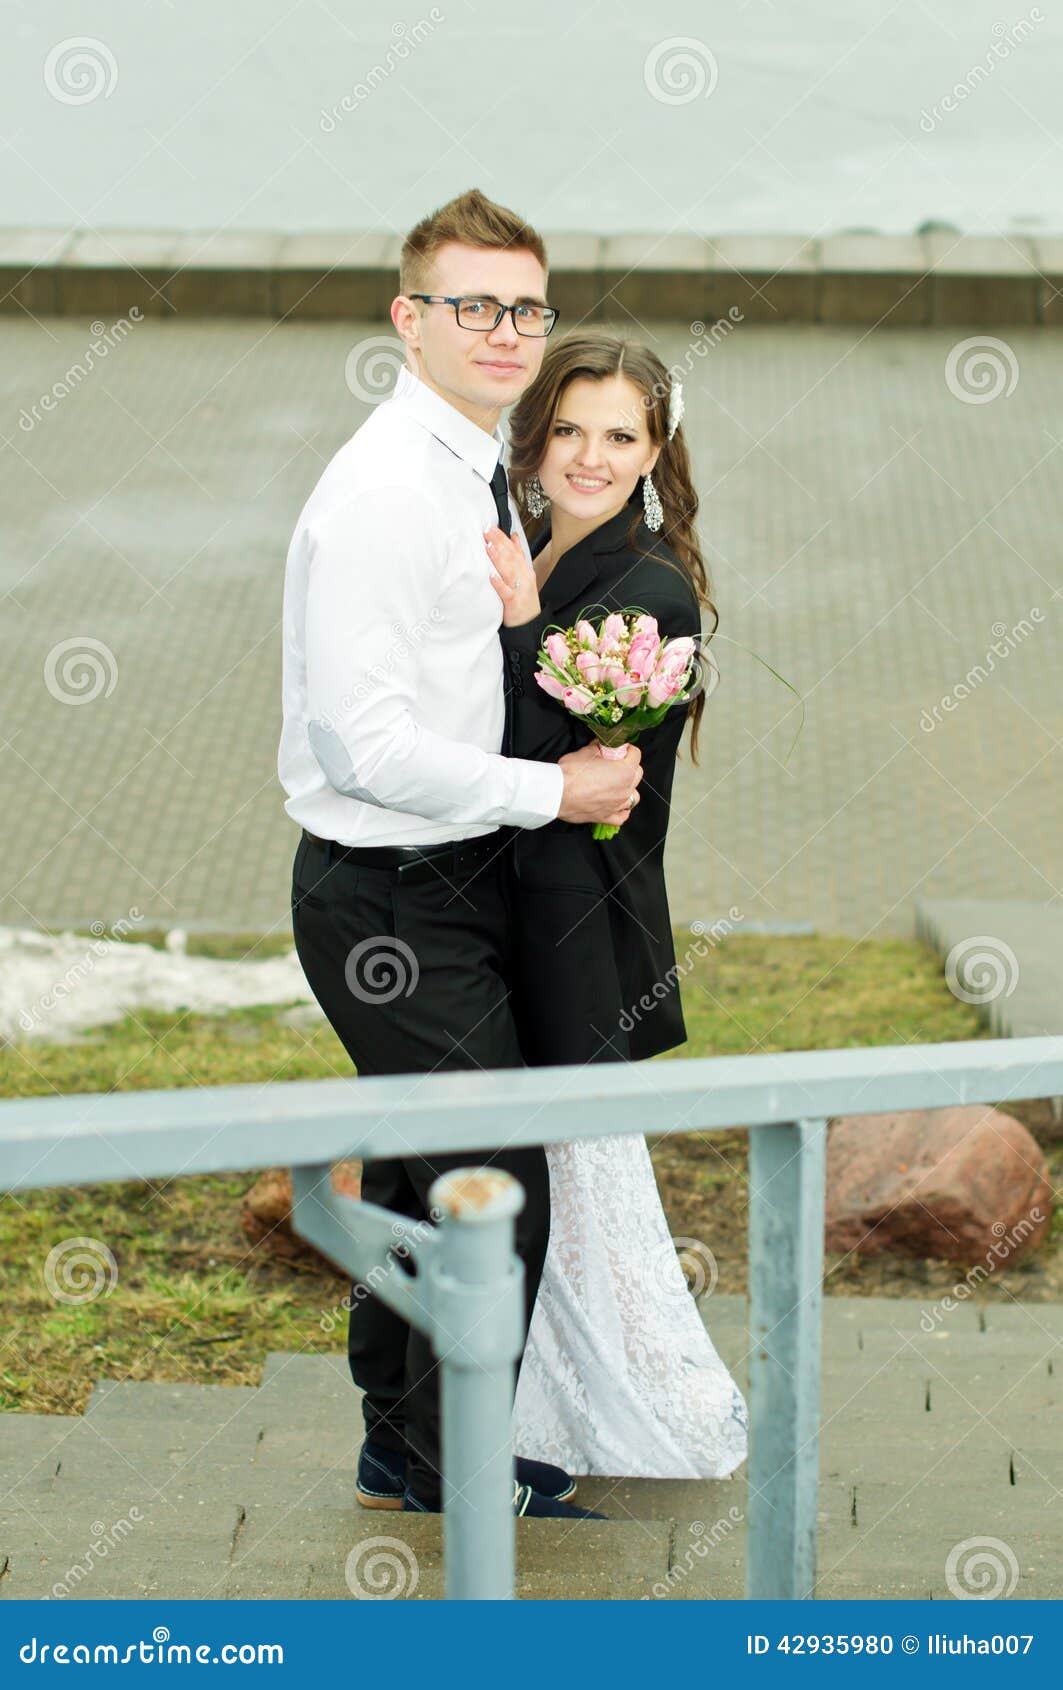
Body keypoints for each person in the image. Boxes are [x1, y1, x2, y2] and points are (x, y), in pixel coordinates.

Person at [278, 189, 644, 1519]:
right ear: (407, 317)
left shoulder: (470, 458)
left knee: (415, 1171)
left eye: (525, 309)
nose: (504, 331)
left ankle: (403, 1447)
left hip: (453, 877)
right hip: (384, 898)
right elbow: (361, 743)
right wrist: (553, 788)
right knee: (496, 1182)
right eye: (471, 304)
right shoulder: (387, 490)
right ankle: (451, 1468)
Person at [484, 331, 749, 1481]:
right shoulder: (531, 545)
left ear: (653, 454)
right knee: (532, 1170)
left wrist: (515, 625)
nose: (588, 456)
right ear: (534, 437)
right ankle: (516, 1408)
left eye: (618, 436)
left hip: (580, 922)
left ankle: (607, 1412)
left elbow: (552, 753)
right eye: (568, 429)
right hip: (506, 907)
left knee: (579, 1181)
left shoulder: (651, 592)